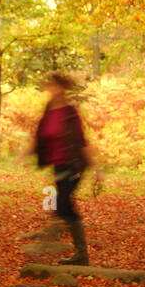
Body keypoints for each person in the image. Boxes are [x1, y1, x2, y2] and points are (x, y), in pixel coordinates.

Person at [27, 73, 99, 265]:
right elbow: (39, 135)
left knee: (61, 204)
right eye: (49, 86)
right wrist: (27, 151)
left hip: (74, 165)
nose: (51, 89)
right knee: (65, 207)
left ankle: (78, 253)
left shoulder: (70, 113)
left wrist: (98, 169)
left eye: (54, 86)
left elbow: (83, 142)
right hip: (56, 165)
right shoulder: (48, 110)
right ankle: (80, 254)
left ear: (62, 88)